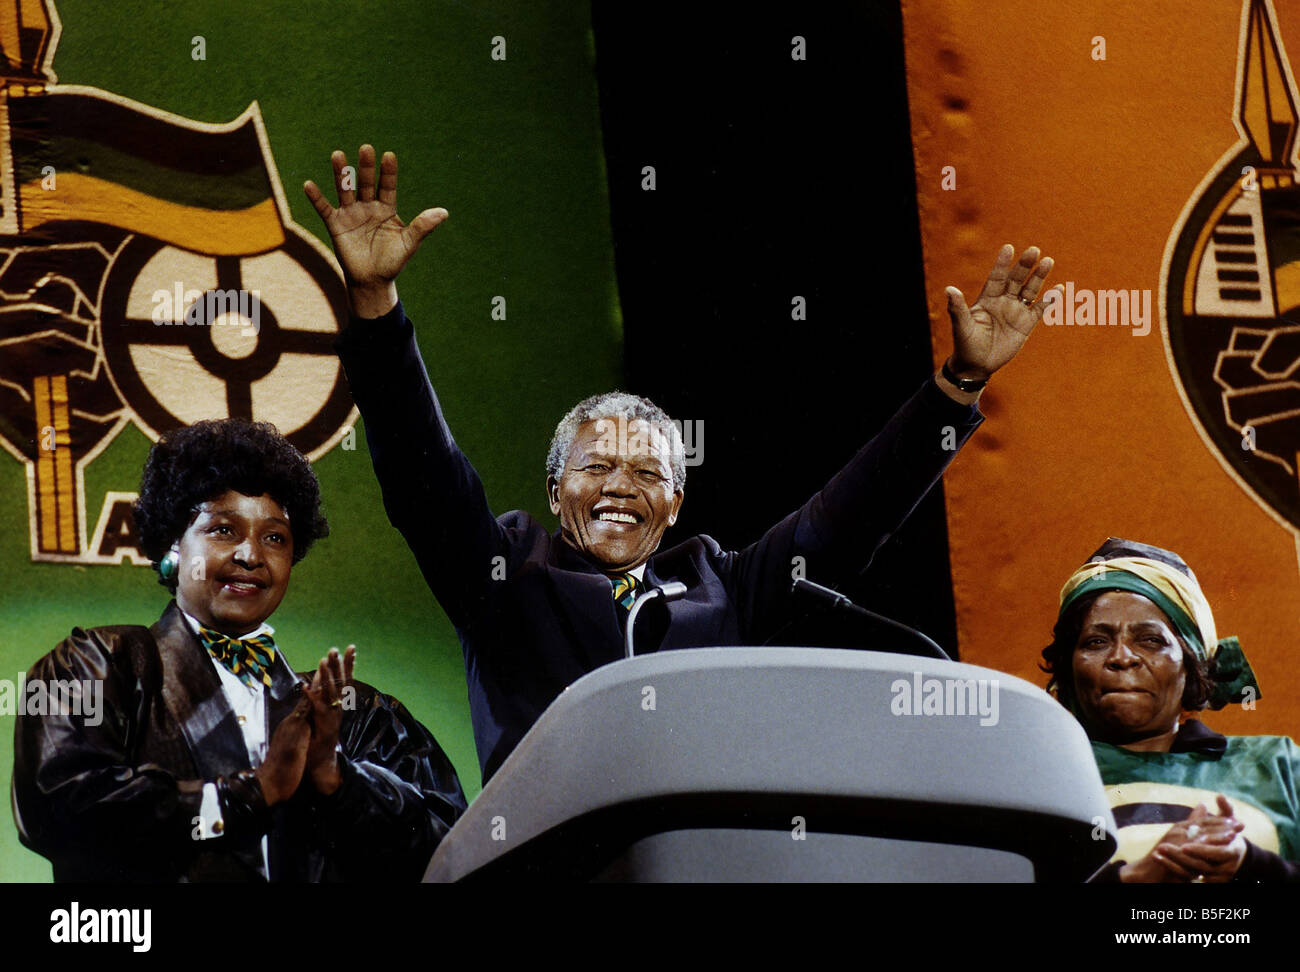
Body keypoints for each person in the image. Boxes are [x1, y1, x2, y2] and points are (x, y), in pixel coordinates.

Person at [307, 144, 1055, 782]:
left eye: (646, 474)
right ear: (553, 487)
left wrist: (955, 386)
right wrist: (378, 306)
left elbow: (850, 516)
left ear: (674, 504)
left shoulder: (724, 585)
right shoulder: (506, 575)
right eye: (596, 466)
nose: (619, 489)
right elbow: (422, 473)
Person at [11, 418, 466, 882]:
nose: (251, 555)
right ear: (174, 542)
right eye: (223, 530)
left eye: (275, 537)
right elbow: (56, 805)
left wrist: (336, 779)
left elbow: (450, 850)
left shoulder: (359, 713)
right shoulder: (91, 665)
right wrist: (251, 793)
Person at [1042, 537, 1299, 882]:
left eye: (1150, 640)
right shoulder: (1035, 779)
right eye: (1096, 642)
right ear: (1068, 670)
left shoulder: (1278, 765)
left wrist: (1252, 866)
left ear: (1192, 667)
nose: (1121, 657)